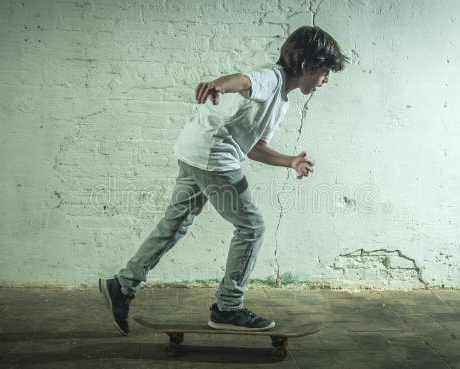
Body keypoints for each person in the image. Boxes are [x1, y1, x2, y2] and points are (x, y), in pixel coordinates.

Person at [99, 25, 349, 335]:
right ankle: (228, 308)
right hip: (213, 157)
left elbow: (254, 147)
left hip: (195, 151)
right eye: (325, 71)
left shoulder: (281, 99)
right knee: (252, 226)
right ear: (306, 65)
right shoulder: (271, 78)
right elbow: (243, 81)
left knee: (175, 224)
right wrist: (218, 85)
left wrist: (291, 161)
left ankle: (123, 285)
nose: (326, 79)